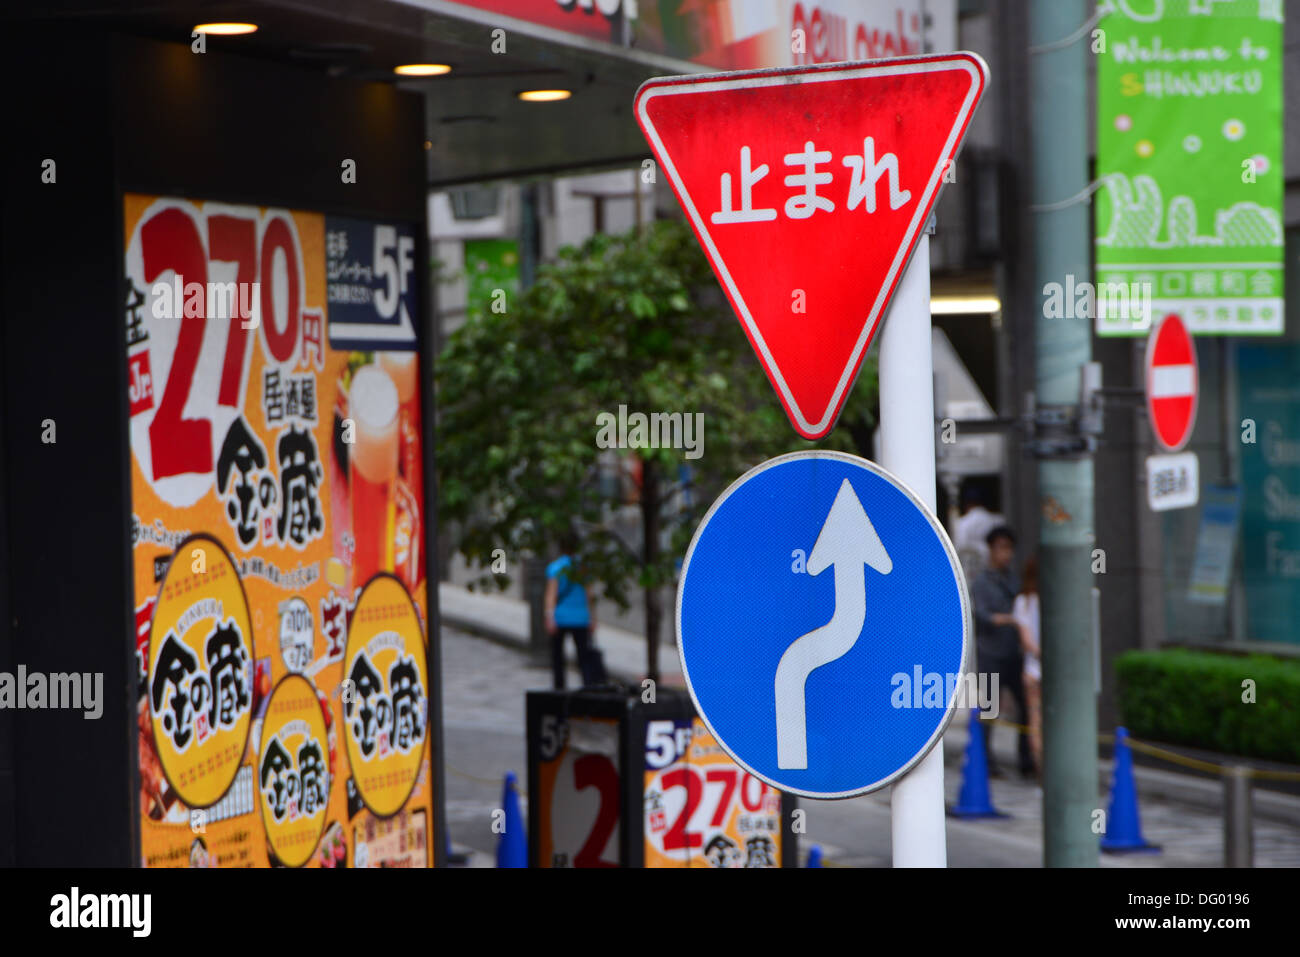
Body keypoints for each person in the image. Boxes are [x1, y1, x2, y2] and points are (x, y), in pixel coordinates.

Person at [971, 525, 1035, 779]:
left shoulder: (1014, 580)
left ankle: (1026, 761)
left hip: (1014, 654)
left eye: (1009, 549)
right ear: (991, 550)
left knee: (1025, 708)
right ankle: (984, 761)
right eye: (1001, 548)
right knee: (989, 709)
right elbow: (984, 617)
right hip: (990, 654)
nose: (1006, 554)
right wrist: (1012, 619)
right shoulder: (982, 582)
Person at [545, 532, 606, 690]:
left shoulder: (556, 567)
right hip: (581, 618)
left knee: (558, 658)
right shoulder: (584, 568)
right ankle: (587, 688)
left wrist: (549, 617)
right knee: (583, 658)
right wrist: (593, 618)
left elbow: (551, 595)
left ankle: (559, 690)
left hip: (561, 617)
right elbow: (589, 595)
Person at [1011, 554, 1042, 781]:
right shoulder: (1054, 598)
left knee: (1035, 723)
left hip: (1032, 669)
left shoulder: (1023, 601)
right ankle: (1047, 772)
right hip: (1047, 670)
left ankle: (1041, 771)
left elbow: (1026, 639)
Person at [953, 484, 1005, 585]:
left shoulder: (962, 522)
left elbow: (959, 547)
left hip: (970, 570)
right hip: (991, 569)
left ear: (967, 504)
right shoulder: (995, 519)